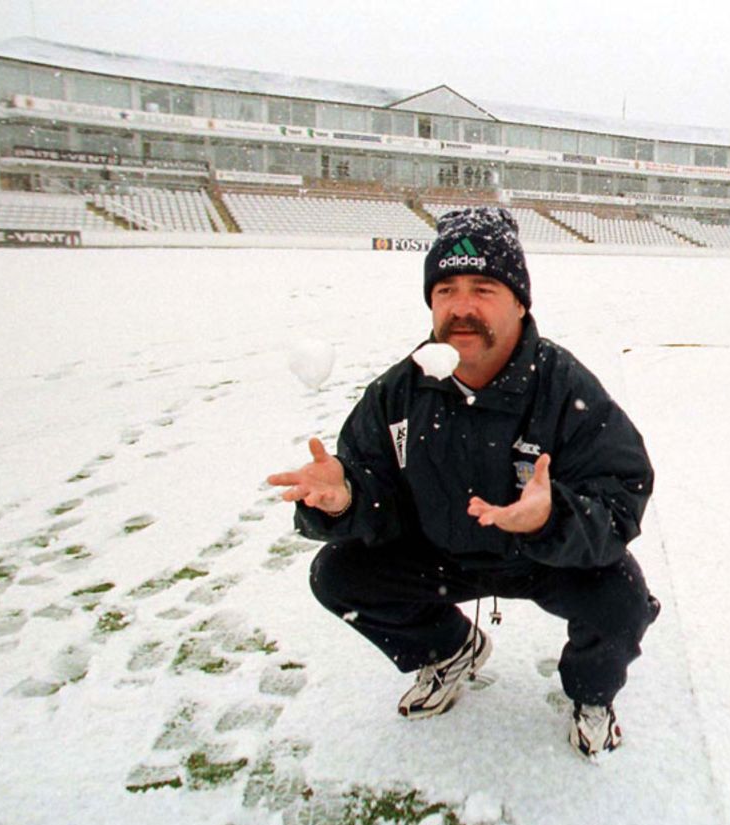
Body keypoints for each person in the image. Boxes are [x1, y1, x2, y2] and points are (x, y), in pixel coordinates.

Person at [268, 207, 659, 759]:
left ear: (520, 301)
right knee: (338, 574)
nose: (462, 307)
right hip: (442, 555)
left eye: (484, 288)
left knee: (624, 600)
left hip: (543, 556)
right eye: (446, 289)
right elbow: (377, 490)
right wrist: (347, 496)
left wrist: (554, 519)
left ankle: (592, 694)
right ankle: (450, 649)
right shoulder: (398, 391)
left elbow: (622, 492)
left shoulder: (565, 387)